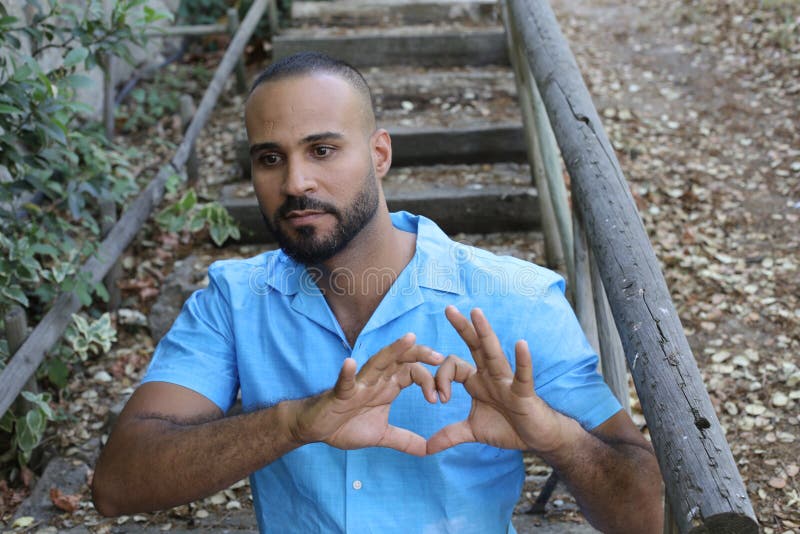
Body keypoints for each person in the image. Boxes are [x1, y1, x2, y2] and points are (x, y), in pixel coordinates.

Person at [92, 52, 662, 533]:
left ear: (380, 154)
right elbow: (118, 484)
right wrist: (292, 425)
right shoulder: (234, 300)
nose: (295, 182)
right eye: (270, 158)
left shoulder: (517, 297)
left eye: (322, 149)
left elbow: (653, 514)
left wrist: (555, 436)